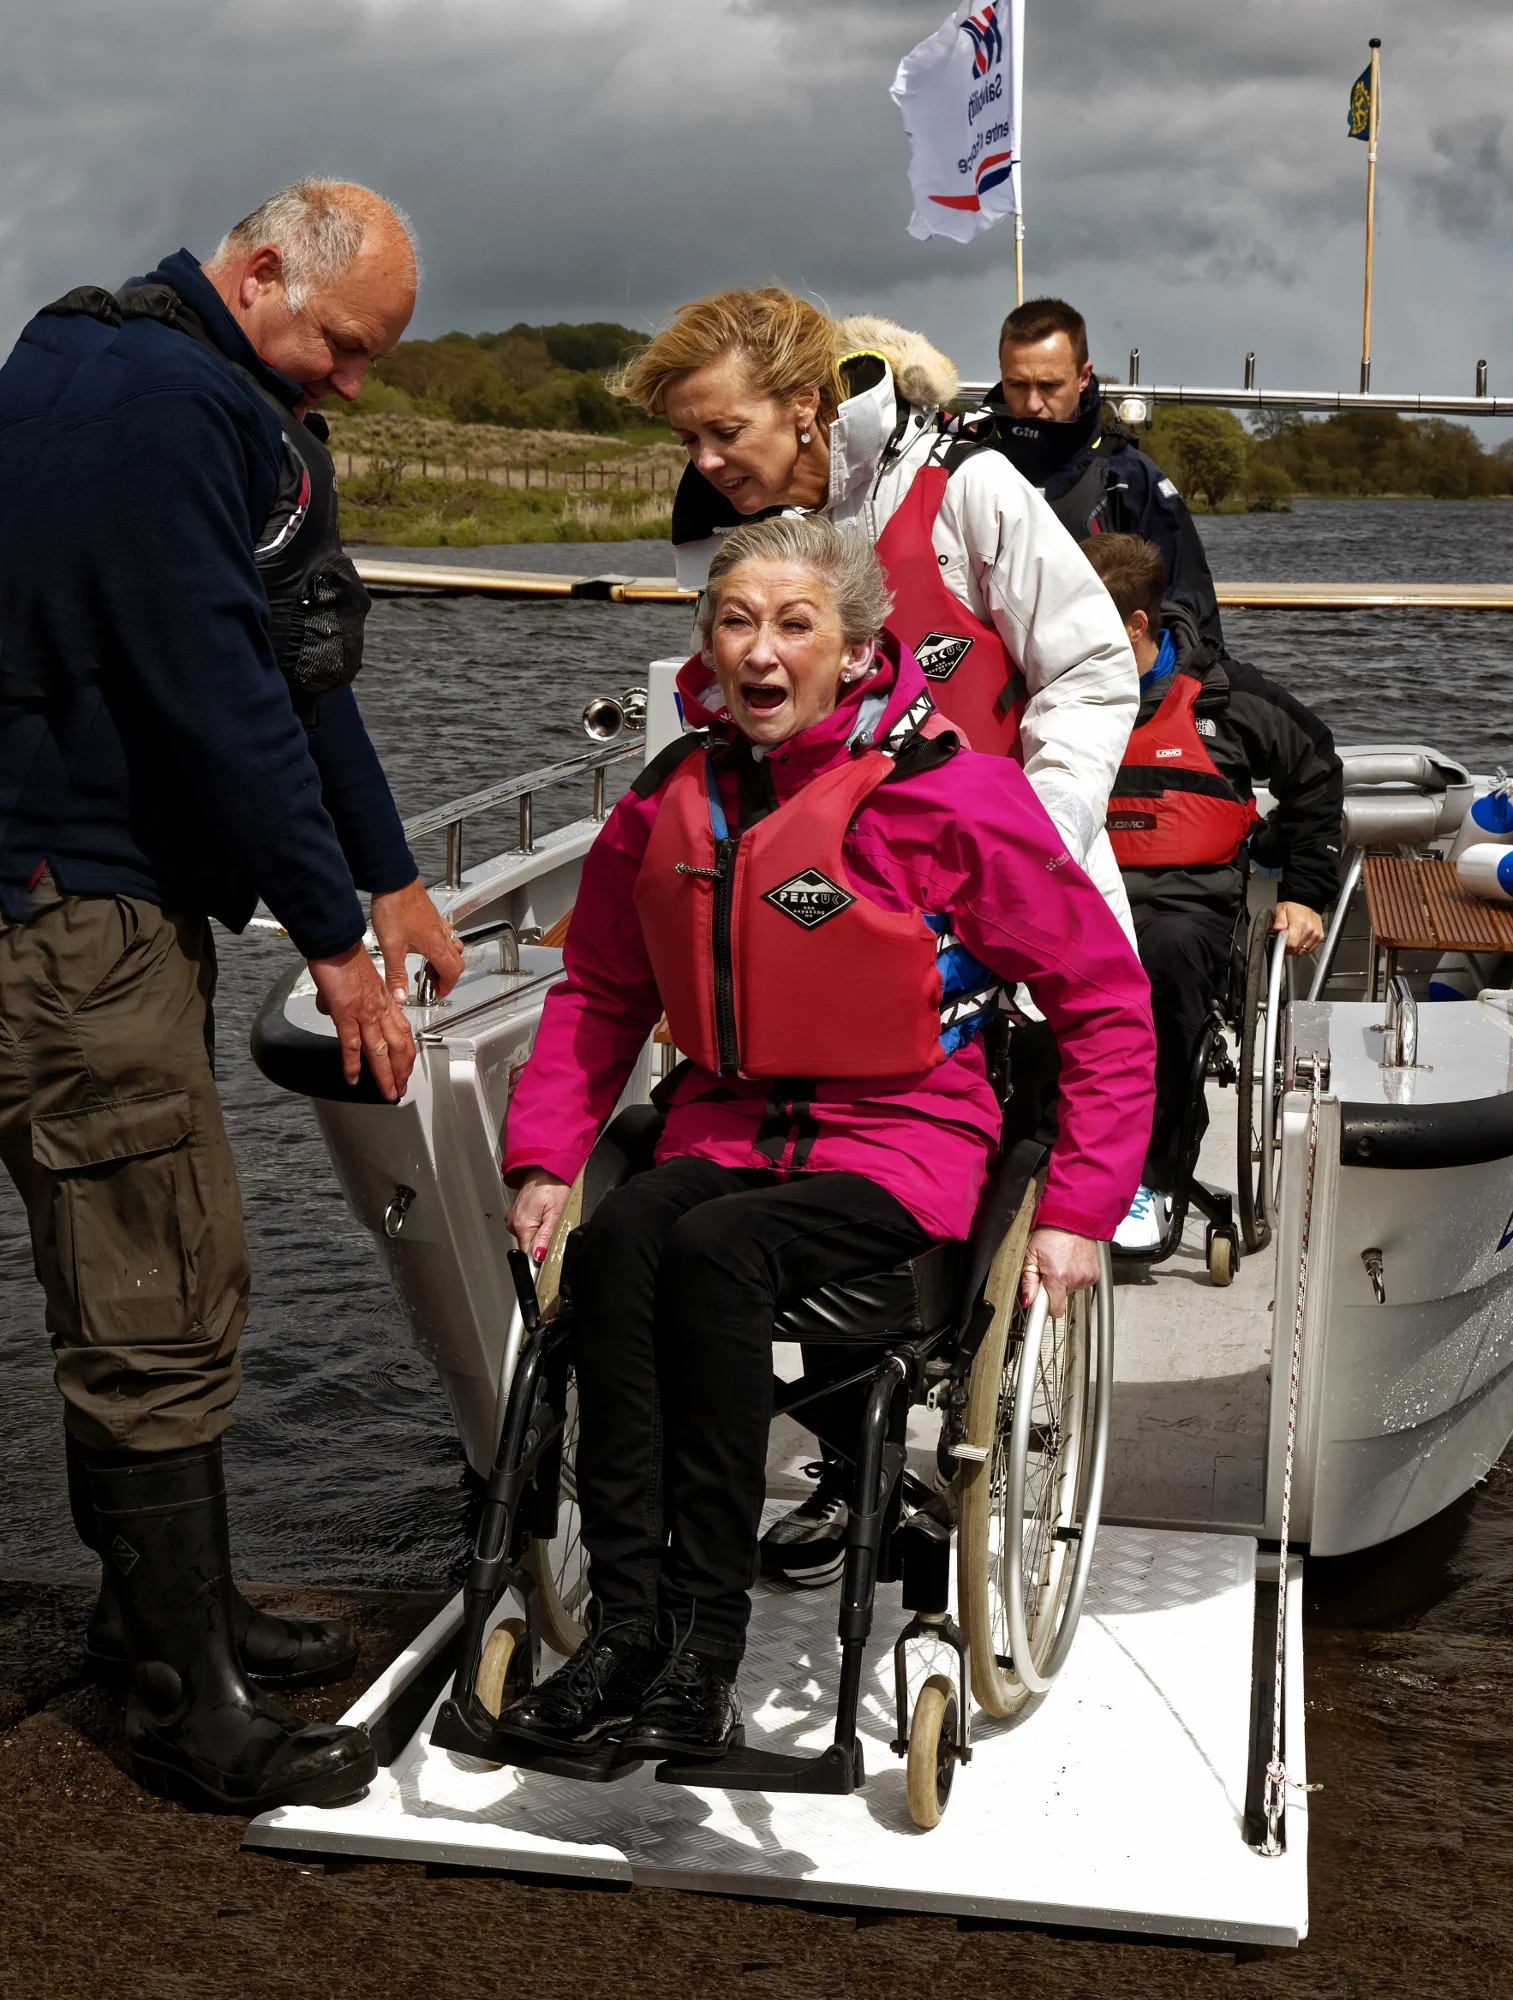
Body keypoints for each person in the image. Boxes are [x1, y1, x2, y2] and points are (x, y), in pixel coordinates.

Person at [497, 515, 1154, 1761]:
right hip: (728, 1121)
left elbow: (1105, 1001)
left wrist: (1077, 1205)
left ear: (855, 650)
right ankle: (626, 1627)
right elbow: (596, 988)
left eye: (793, 623)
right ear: (707, 644)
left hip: (901, 1139)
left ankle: (705, 1652)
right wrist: (543, 1152)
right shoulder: (667, 801)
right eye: (737, 620)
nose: (760, 648)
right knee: (624, 1235)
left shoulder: (953, 797)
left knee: (716, 1254)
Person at [0, 178, 465, 1813]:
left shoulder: (121, 362)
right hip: (72, 913)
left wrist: (389, 869)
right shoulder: (170, 408)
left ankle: (166, 1607)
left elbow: (293, 665)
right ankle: (183, 1705)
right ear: (261, 270)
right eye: (342, 345)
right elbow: (215, 685)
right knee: (161, 1290)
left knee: (141, 1275)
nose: (350, 381)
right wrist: (335, 936)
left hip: (76, 897)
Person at [616, 289, 1139, 939]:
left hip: (1019, 912)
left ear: (803, 405)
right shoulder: (724, 532)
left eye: (725, 433)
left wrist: (1044, 840)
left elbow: (1089, 672)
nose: (704, 463)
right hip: (828, 919)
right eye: (688, 438)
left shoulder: (966, 486)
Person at [1079, 535, 1342, 1254]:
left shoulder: (1229, 698)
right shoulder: (1048, 690)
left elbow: (1315, 774)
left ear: (1135, 625)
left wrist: (1304, 892)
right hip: (1071, 898)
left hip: (1184, 910)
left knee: (1161, 970)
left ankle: (1150, 1176)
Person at [989, 297, 1225, 652]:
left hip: (1104, 690)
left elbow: (1188, 612)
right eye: (1018, 385)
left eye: (1050, 386)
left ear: (1083, 377)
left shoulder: (1131, 479)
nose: (1033, 403)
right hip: (989, 692)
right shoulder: (969, 468)